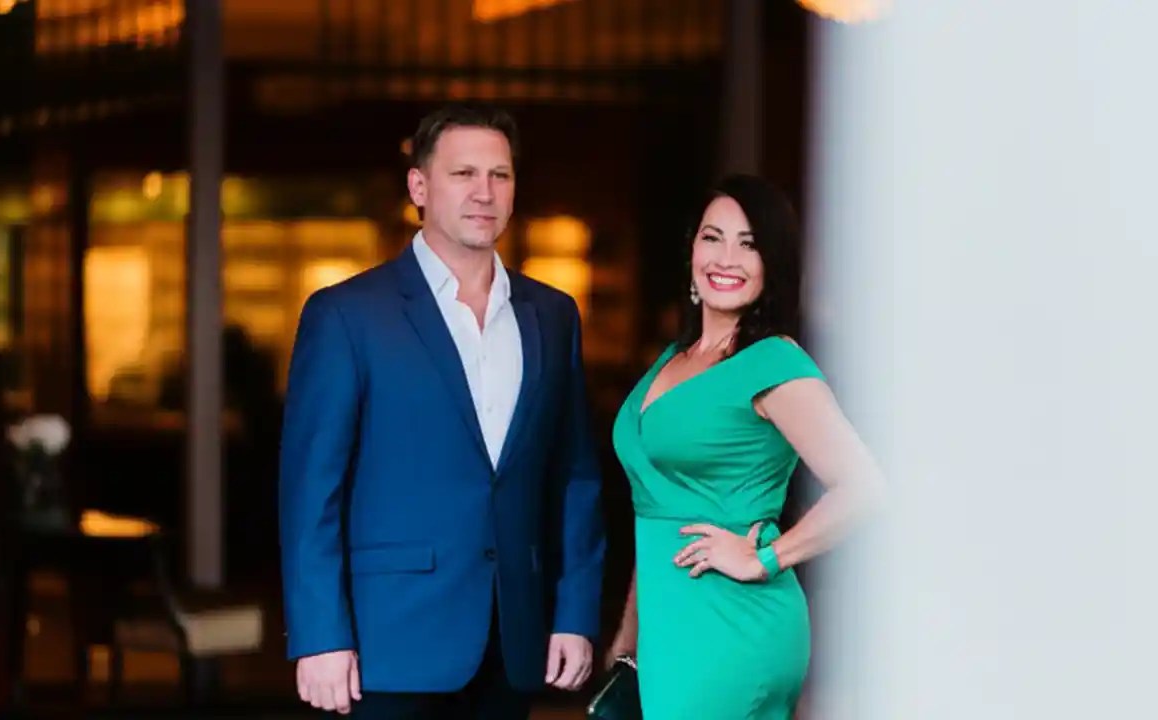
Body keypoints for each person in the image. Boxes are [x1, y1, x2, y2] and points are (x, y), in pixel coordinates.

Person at [278, 103, 606, 719]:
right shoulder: (347, 314)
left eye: (500, 175)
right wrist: (319, 635)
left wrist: (574, 614)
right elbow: (311, 490)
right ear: (419, 186)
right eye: (463, 174)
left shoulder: (552, 315)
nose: (485, 192)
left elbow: (575, 478)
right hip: (386, 643)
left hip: (513, 640)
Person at [606, 175, 884, 719]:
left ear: (771, 263)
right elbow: (660, 508)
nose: (726, 258)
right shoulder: (675, 358)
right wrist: (630, 632)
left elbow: (864, 489)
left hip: (731, 625)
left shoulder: (774, 362)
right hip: (669, 627)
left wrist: (763, 559)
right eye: (712, 237)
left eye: (749, 244)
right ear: (692, 248)